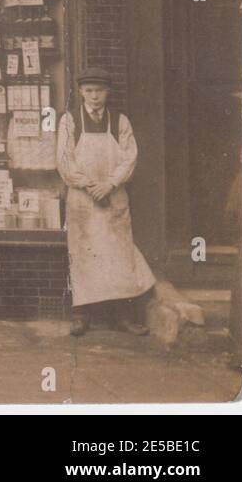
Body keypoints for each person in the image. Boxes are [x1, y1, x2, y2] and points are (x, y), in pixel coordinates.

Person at [57, 67, 155, 336]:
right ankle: (81, 316)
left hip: (113, 197)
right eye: (89, 91)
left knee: (119, 256)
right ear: (80, 92)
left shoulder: (120, 121)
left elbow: (130, 157)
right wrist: (89, 185)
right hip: (82, 199)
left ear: (107, 92)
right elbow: (65, 160)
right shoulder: (69, 121)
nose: (94, 96)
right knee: (83, 256)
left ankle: (122, 317)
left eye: (99, 91)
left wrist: (109, 184)